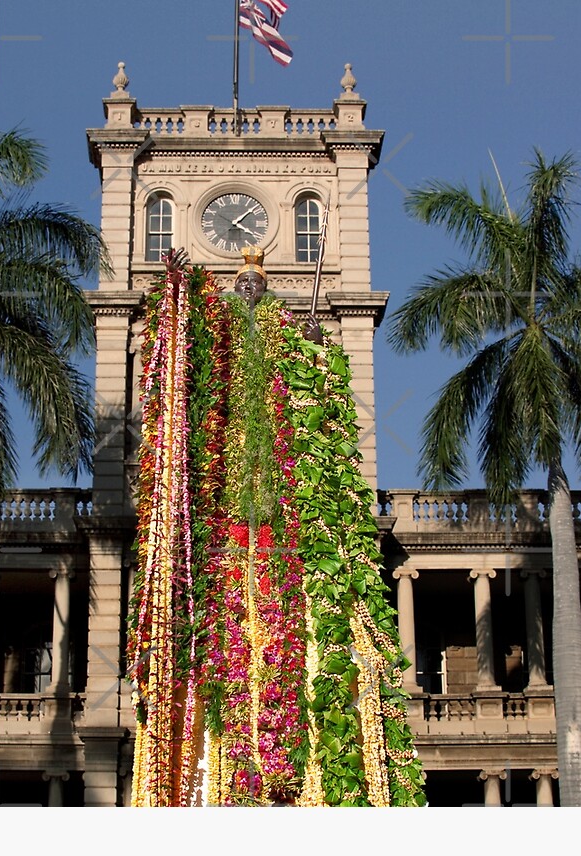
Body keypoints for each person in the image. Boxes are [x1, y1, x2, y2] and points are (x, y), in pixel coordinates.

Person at [128, 247, 425, 808]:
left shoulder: (285, 341)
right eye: (242, 286)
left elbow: (322, 412)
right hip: (226, 524)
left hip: (282, 523)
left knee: (298, 639)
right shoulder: (215, 349)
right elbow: (185, 396)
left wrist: (312, 348)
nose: (249, 290)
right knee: (224, 647)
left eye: (256, 285)